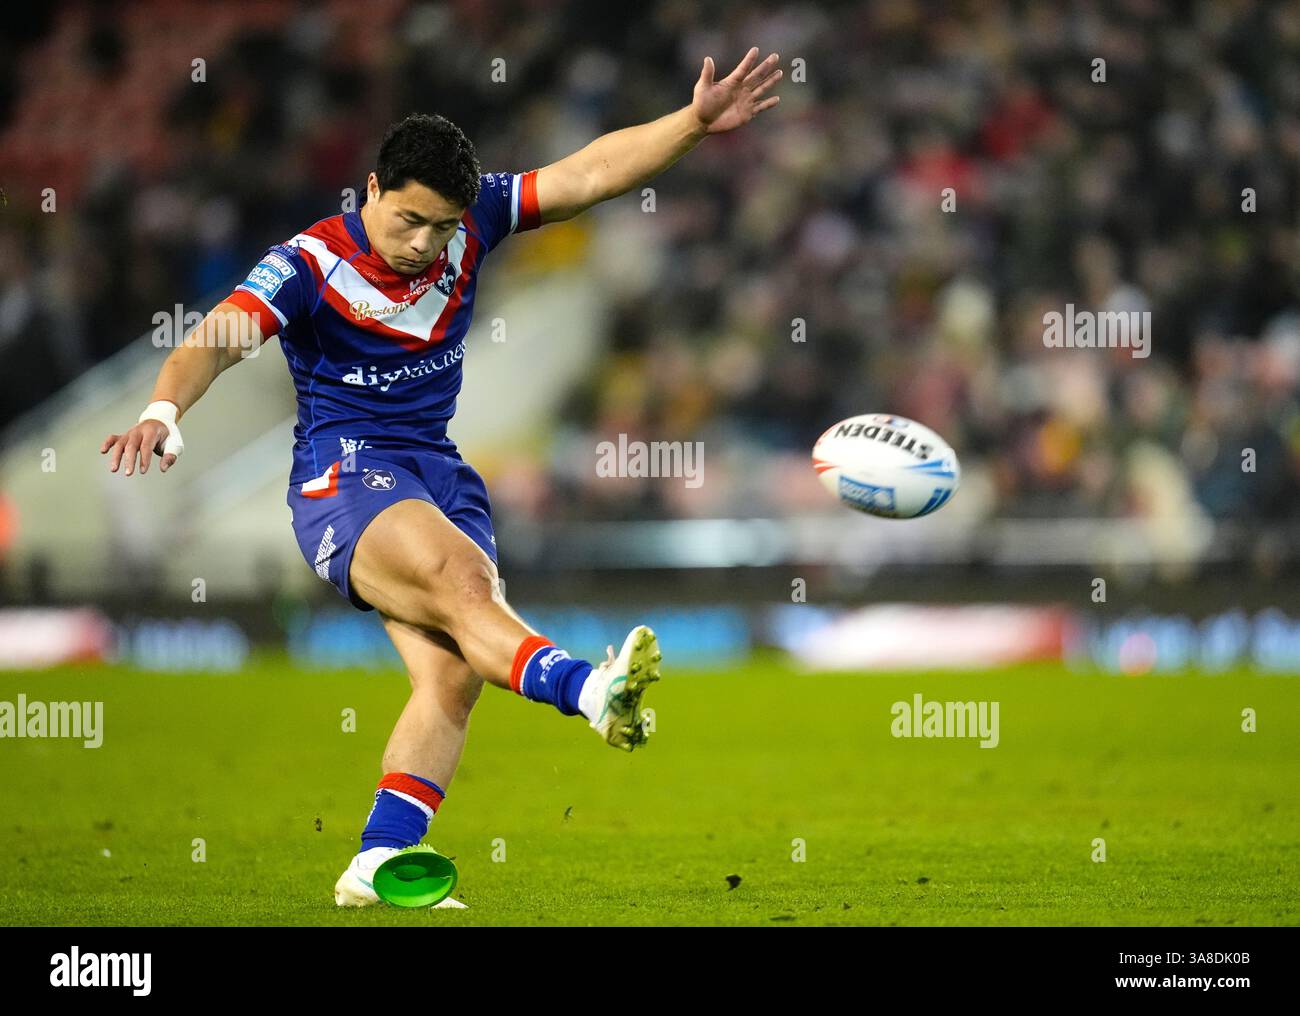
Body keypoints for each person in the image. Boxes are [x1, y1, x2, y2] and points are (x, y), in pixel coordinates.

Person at [100, 48, 783, 908]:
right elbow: (219, 335)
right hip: (343, 479)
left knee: (454, 673)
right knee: (466, 587)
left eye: (445, 227)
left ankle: (377, 859)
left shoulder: (476, 220)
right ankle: (589, 689)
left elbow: (588, 173)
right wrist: (165, 413)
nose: (427, 244)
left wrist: (690, 124)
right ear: (375, 189)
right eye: (412, 221)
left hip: (437, 471)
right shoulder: (310, 263)